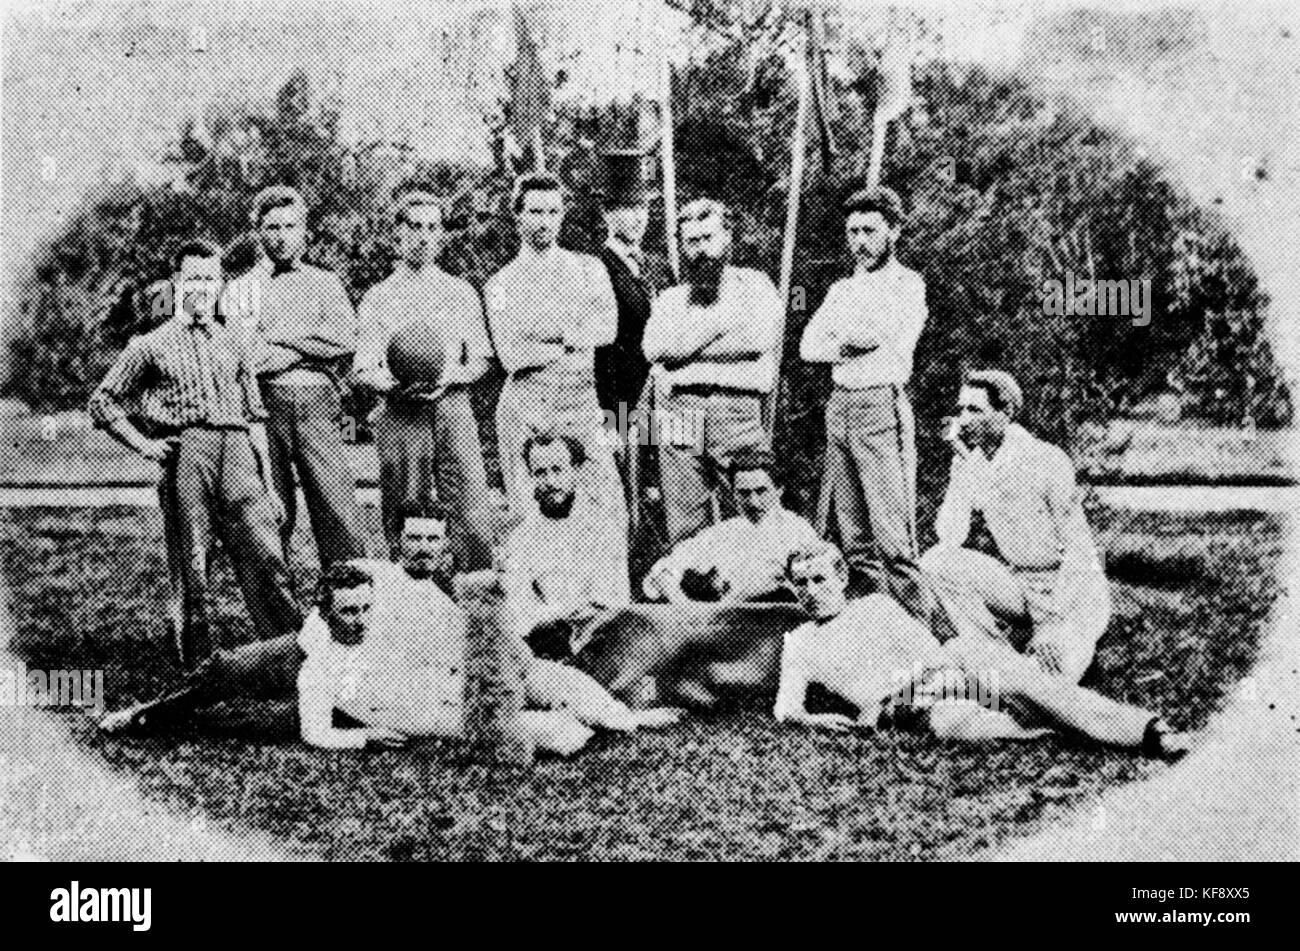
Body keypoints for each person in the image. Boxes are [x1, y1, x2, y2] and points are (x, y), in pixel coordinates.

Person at [98, 505, 677, 756]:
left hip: (363, 695)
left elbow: (511, 666)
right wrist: (325, 649)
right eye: (414, 538)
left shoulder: (447, 607)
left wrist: (620, 716)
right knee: (228, 670)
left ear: (445, 546)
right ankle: (148, 711)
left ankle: (184, 724)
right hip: (312, 654)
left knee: (257, 725)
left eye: (433, 540)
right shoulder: (371, 573)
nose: (423, 548)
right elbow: (331, 607)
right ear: (399, 540)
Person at [88, 239, 302, 670]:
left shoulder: (236, 340)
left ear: (221, 282)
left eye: (210, 278)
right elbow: (103, 402)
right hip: (188, 455)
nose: (201, 288)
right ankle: (200, 672)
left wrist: (269, 484)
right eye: (192, 279)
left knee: (267, 556)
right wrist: (146, 445)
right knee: (193, 565)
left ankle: (290, 659)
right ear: (177, 283)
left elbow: (255, 415)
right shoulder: (150, 344)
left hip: (240, 452)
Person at [773, 542, 1190, 758]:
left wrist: (932, 680)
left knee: (1028, 684)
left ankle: (1148, 731)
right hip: (908, 705)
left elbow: (931, 653)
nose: (812, 591)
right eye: (802, 583)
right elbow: (786, 708)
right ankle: (1055, 724)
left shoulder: (876, 607)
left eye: (819, 579)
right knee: (973, 725)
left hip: (947, 671)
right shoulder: (800, 642)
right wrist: (820, 721)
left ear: (841, 577)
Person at [920, 370, 1112, 683]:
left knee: (1049, 685)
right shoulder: (974, 462)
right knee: (936, 562)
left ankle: (1065, 654)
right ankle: (994, 656)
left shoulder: (1046, 459)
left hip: (1074, 589)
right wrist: (961, 476)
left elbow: (1081, 549)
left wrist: (1050, 623)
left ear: (1006, 412)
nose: (964, 420)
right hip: (1022, 583)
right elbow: (950, 537)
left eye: (975, 410)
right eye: (961, 410)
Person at [221, 185, 366, 569]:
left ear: (304, 231)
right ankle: (281, 620)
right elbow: (249, 358)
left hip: (319, 403)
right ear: (258, 232)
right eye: (272, 228)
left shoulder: (325, 282)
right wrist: (310, 346)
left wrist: (282, 338)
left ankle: (350, 601)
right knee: (271, 511)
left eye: (290, 226)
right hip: (263, 405)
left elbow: (344, 341)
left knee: (338, 508)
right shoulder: (240, 289)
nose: (282, 236)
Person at [799, 186, 927, 615]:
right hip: (841, 407)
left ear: (894, 230)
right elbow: (808, 346)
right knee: (855, 541)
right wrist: (843, 344)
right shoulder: (840, 291)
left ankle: (924, 642)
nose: (859, 241)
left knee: (895, 541)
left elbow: (881, 339)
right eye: (852, 232)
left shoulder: (908, 285)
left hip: (880, 407)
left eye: (869, 231)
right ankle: (879, 632)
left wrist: (846, 340)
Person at [353, 190, 496, 569]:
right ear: (398, 234)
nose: (424, 236)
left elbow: (482, 359)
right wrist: (394, 383)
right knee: (404, 515)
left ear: (442, 234)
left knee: (473, 516)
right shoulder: (378, 297)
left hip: (452, 406)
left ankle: (473, 606)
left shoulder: (461, 292)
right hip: (401, 412)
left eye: (433, 227)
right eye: (415, 227)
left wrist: (448, 376)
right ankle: (407, 606)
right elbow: (363, 368)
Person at [484, 172, 626, 525]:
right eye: (535, 212)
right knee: (532, 515)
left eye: (552, 212)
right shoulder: (500, 284)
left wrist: (544, 336)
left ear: (562, 214)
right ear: (517, 216)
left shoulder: (589, 268)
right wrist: (571, 337)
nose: (544, 221)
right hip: (526, 406)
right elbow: (511, 355)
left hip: (582, 401)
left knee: (608, 509)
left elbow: (607, 330)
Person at [642, 198, 782, 547]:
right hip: (677, 411)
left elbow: (758, 340)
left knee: (753, 518)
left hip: (734, 408)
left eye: (708, 238)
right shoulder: (671, 298)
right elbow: (656, 350)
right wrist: (722, 325)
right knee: (685, 527)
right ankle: (695, 600)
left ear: (727, 238)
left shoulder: (755, 285)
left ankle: (756, 596)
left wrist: (684, 350)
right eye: (691, 242)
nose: (701, 250)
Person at [499, 433, 630, 659]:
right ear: (530, 477)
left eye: (558, 470)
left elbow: (611, 601)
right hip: (543, 650)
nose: (550, 482)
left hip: (600, 647)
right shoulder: (521, 538)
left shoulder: (603, 529)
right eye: (540, 473)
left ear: (576, 471)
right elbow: (518, 605)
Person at [642, 449, 820, 604]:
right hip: (729, 628)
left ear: (779, 490)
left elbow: (815, 586)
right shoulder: (725, 533)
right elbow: (665, 570)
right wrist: (684, 606)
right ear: (734, 493)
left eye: (761, 491)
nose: (753, 502)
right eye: (743, 493)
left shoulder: (798, 531)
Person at [593, 150, 674, 420]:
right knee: (633, 462)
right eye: (628, 208)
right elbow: (600, 356)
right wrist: (613, 416)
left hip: (669, 397)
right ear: (607, 213)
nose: (639, 218)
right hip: (624, 400)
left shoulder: (660, 267)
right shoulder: (597, 269)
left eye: (643, 207)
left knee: (678, 460)